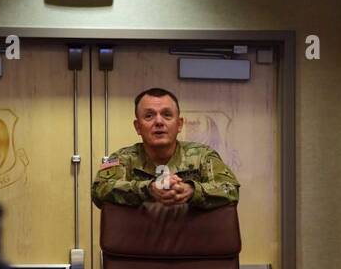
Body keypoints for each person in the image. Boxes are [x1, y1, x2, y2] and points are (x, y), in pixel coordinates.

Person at [91, 87, 240, 210]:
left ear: (179, 124)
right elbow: (99, 191)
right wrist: (148, 189)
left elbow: (231, 189)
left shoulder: (203, 155)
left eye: (167, 115)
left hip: (193, 242)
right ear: (138, 127)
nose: (159, 122)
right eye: (149, 116)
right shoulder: (121, 158)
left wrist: (192, 191)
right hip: (137, 242)